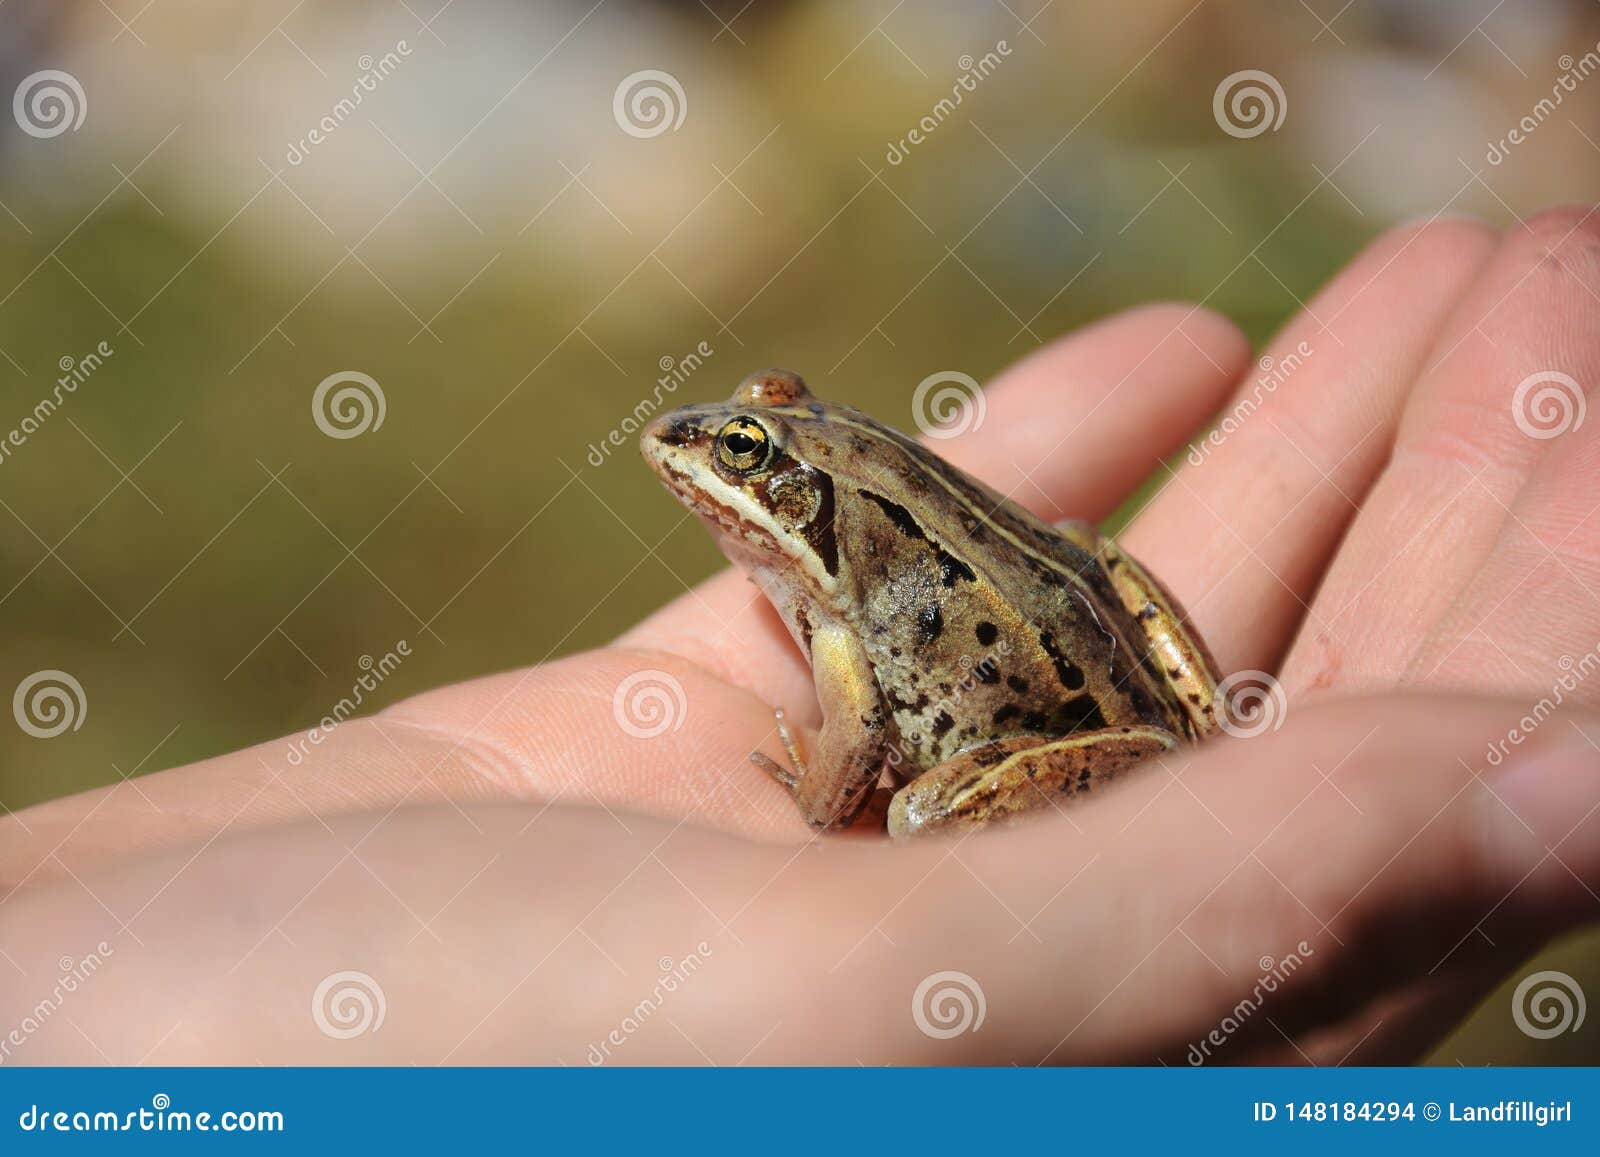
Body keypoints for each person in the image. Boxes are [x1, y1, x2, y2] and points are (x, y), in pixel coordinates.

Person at [2, 208, 1597, 1065]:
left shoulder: (834, 615)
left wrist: (818, 774)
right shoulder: (834, 544)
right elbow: (1073, 567)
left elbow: (843, 777)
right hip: (1096, 620)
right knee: (1092, 570)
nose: (715, 459)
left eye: (758, 461)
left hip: (1031, 723)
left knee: (907, 810)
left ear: (804, 500)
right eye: (747, 440)